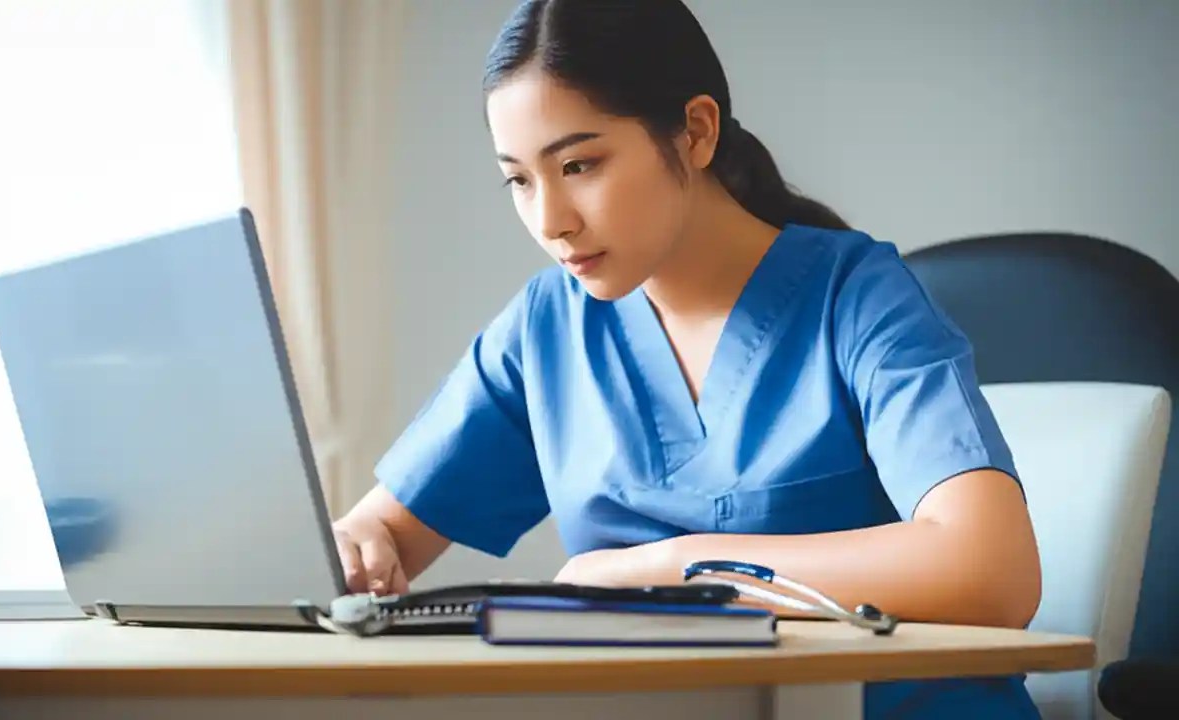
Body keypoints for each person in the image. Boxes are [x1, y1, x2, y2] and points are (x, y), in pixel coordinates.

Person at [333, 0, 1043, 717]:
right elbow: (386, 533)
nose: (551, 220)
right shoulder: (548, 326)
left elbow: (994, 571)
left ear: (697, 131)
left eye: (579, 164)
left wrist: (674, 571)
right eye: (520, 179)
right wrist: (359, 545)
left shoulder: (855, 298)